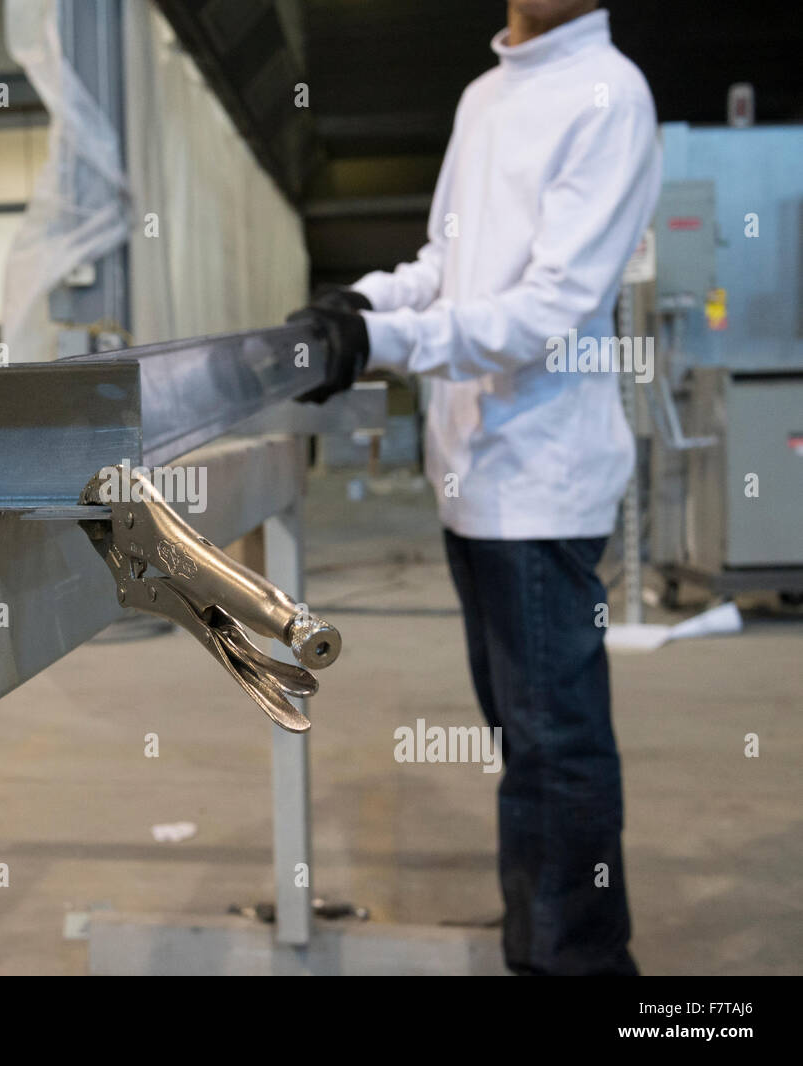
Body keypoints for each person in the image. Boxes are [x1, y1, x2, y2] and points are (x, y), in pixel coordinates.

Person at [291, 1, 660, 975]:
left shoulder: (607, 96)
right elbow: (445, 269)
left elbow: (547, 310)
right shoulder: (484, 95)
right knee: (527, 748)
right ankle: (543, 947)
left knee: (555, 753)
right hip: (472, 483)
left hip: (539, 482)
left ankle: (577, 963)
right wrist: (360, 304)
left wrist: (387, 341)